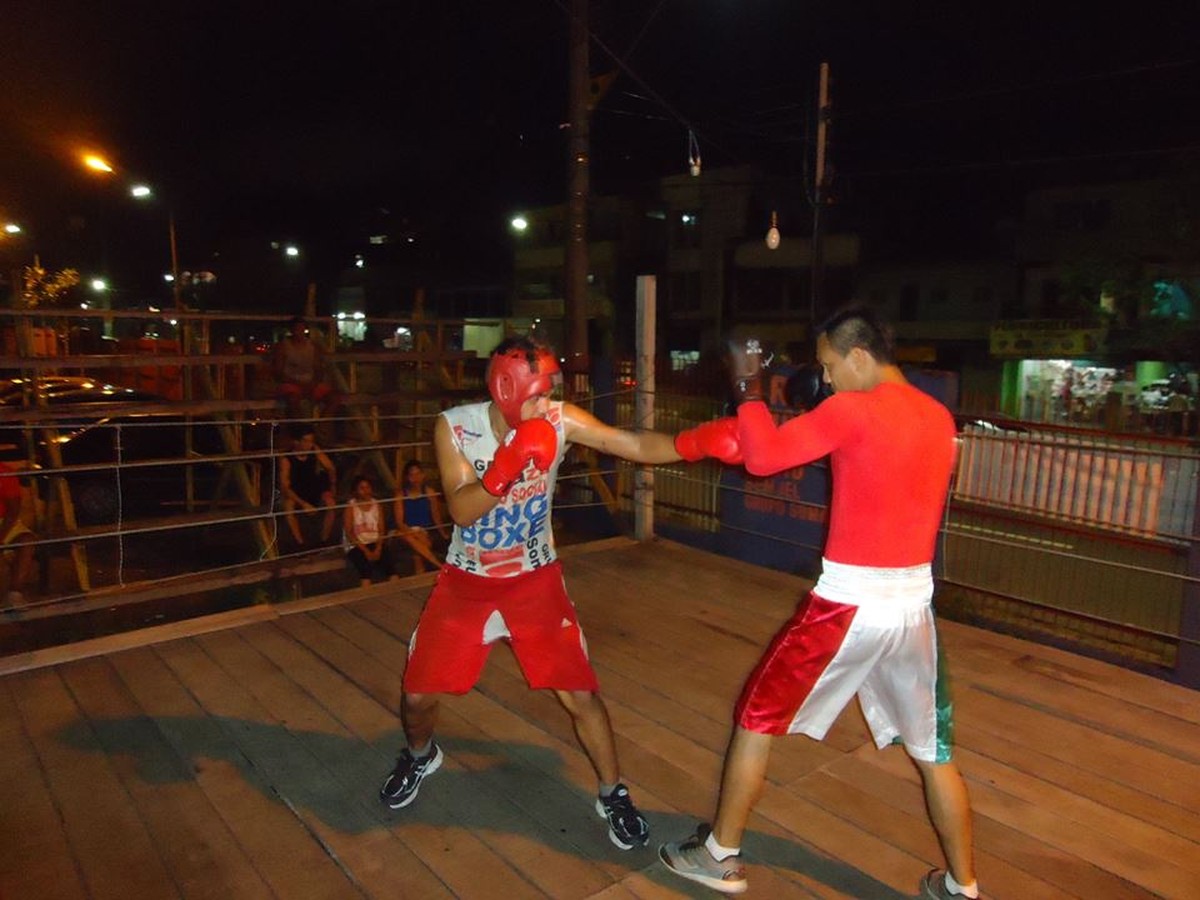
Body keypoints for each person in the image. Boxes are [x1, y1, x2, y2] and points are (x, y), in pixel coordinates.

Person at [659, 306, 978, 899]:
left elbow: (762, 459)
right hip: (913, 608)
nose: (826, 379)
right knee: (935, 751)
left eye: (830, 366)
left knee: (756, 717)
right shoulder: (939, 418)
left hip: (848, 605)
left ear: (859, 356)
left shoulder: (852, 407)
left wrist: (748, 389)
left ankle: (720, 855)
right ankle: (964, 888)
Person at [377, 335, 740, 850]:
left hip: (535, 579)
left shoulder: (558, 421)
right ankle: (420, 756)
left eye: (549, 392)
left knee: (581, 696)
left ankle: (612, 792)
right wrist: (506, 465)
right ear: (505, 388)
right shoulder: (456, 426)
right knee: (416, 697)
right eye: (536, 395)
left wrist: (696, 443)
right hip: (467, 582)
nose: (544, 405)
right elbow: (460, 509)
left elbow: (631, 444)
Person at [279, 423, 337, 546]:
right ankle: (300, 543)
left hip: (314, 487)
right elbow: (285, 487)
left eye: (311, 441)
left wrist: (332, 487)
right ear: (296, 441)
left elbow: (330, 467)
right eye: (305, 441)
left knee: (331, 503)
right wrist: (303, 504)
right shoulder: (286, 459)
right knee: (289, 507)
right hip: (296, 491)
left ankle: (324, 540)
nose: (309, 444)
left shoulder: (314, 449)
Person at [273, 316, 340, 421]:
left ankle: (321, 427)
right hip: (290, 383)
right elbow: (278, 373)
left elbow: (319, 369)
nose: (299, 332)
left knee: (334, 398)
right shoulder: (282, 347)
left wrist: (314, 383)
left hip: (311, 382)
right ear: (291, 330)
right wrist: (299, 384)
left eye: (301, 328)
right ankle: (301, 431)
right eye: (296, 329)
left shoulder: (313, 347)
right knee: (293, 400)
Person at [393, 459, 450, 574]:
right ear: (407, 477)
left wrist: (443, 533)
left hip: (424, 531)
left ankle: (421, 573)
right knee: (408, 538)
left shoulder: (429, 492)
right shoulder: (400, 495)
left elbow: (436, 516)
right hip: (406, 531)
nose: (415, 478)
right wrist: (415, 534)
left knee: (416, 554)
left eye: (418, 474)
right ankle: (439, 565)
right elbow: (399, 522)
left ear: (423, 475)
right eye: (412, 475)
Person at [344, 475, 398, 587]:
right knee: (365, 569)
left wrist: (378, 547)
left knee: (390, 566)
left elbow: (381, 529)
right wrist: (365, 551)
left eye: (368, 487)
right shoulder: (350, 506)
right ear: (356, 490)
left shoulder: (376, 504)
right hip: (357, 545)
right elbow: (349, 532)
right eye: (362, 488)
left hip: (375, 541)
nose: (366, 491)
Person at [1, 461, 35, 605]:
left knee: (27, 541)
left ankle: (14, 593)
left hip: (3, 521)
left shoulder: (4, 472)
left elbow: (13, 510)